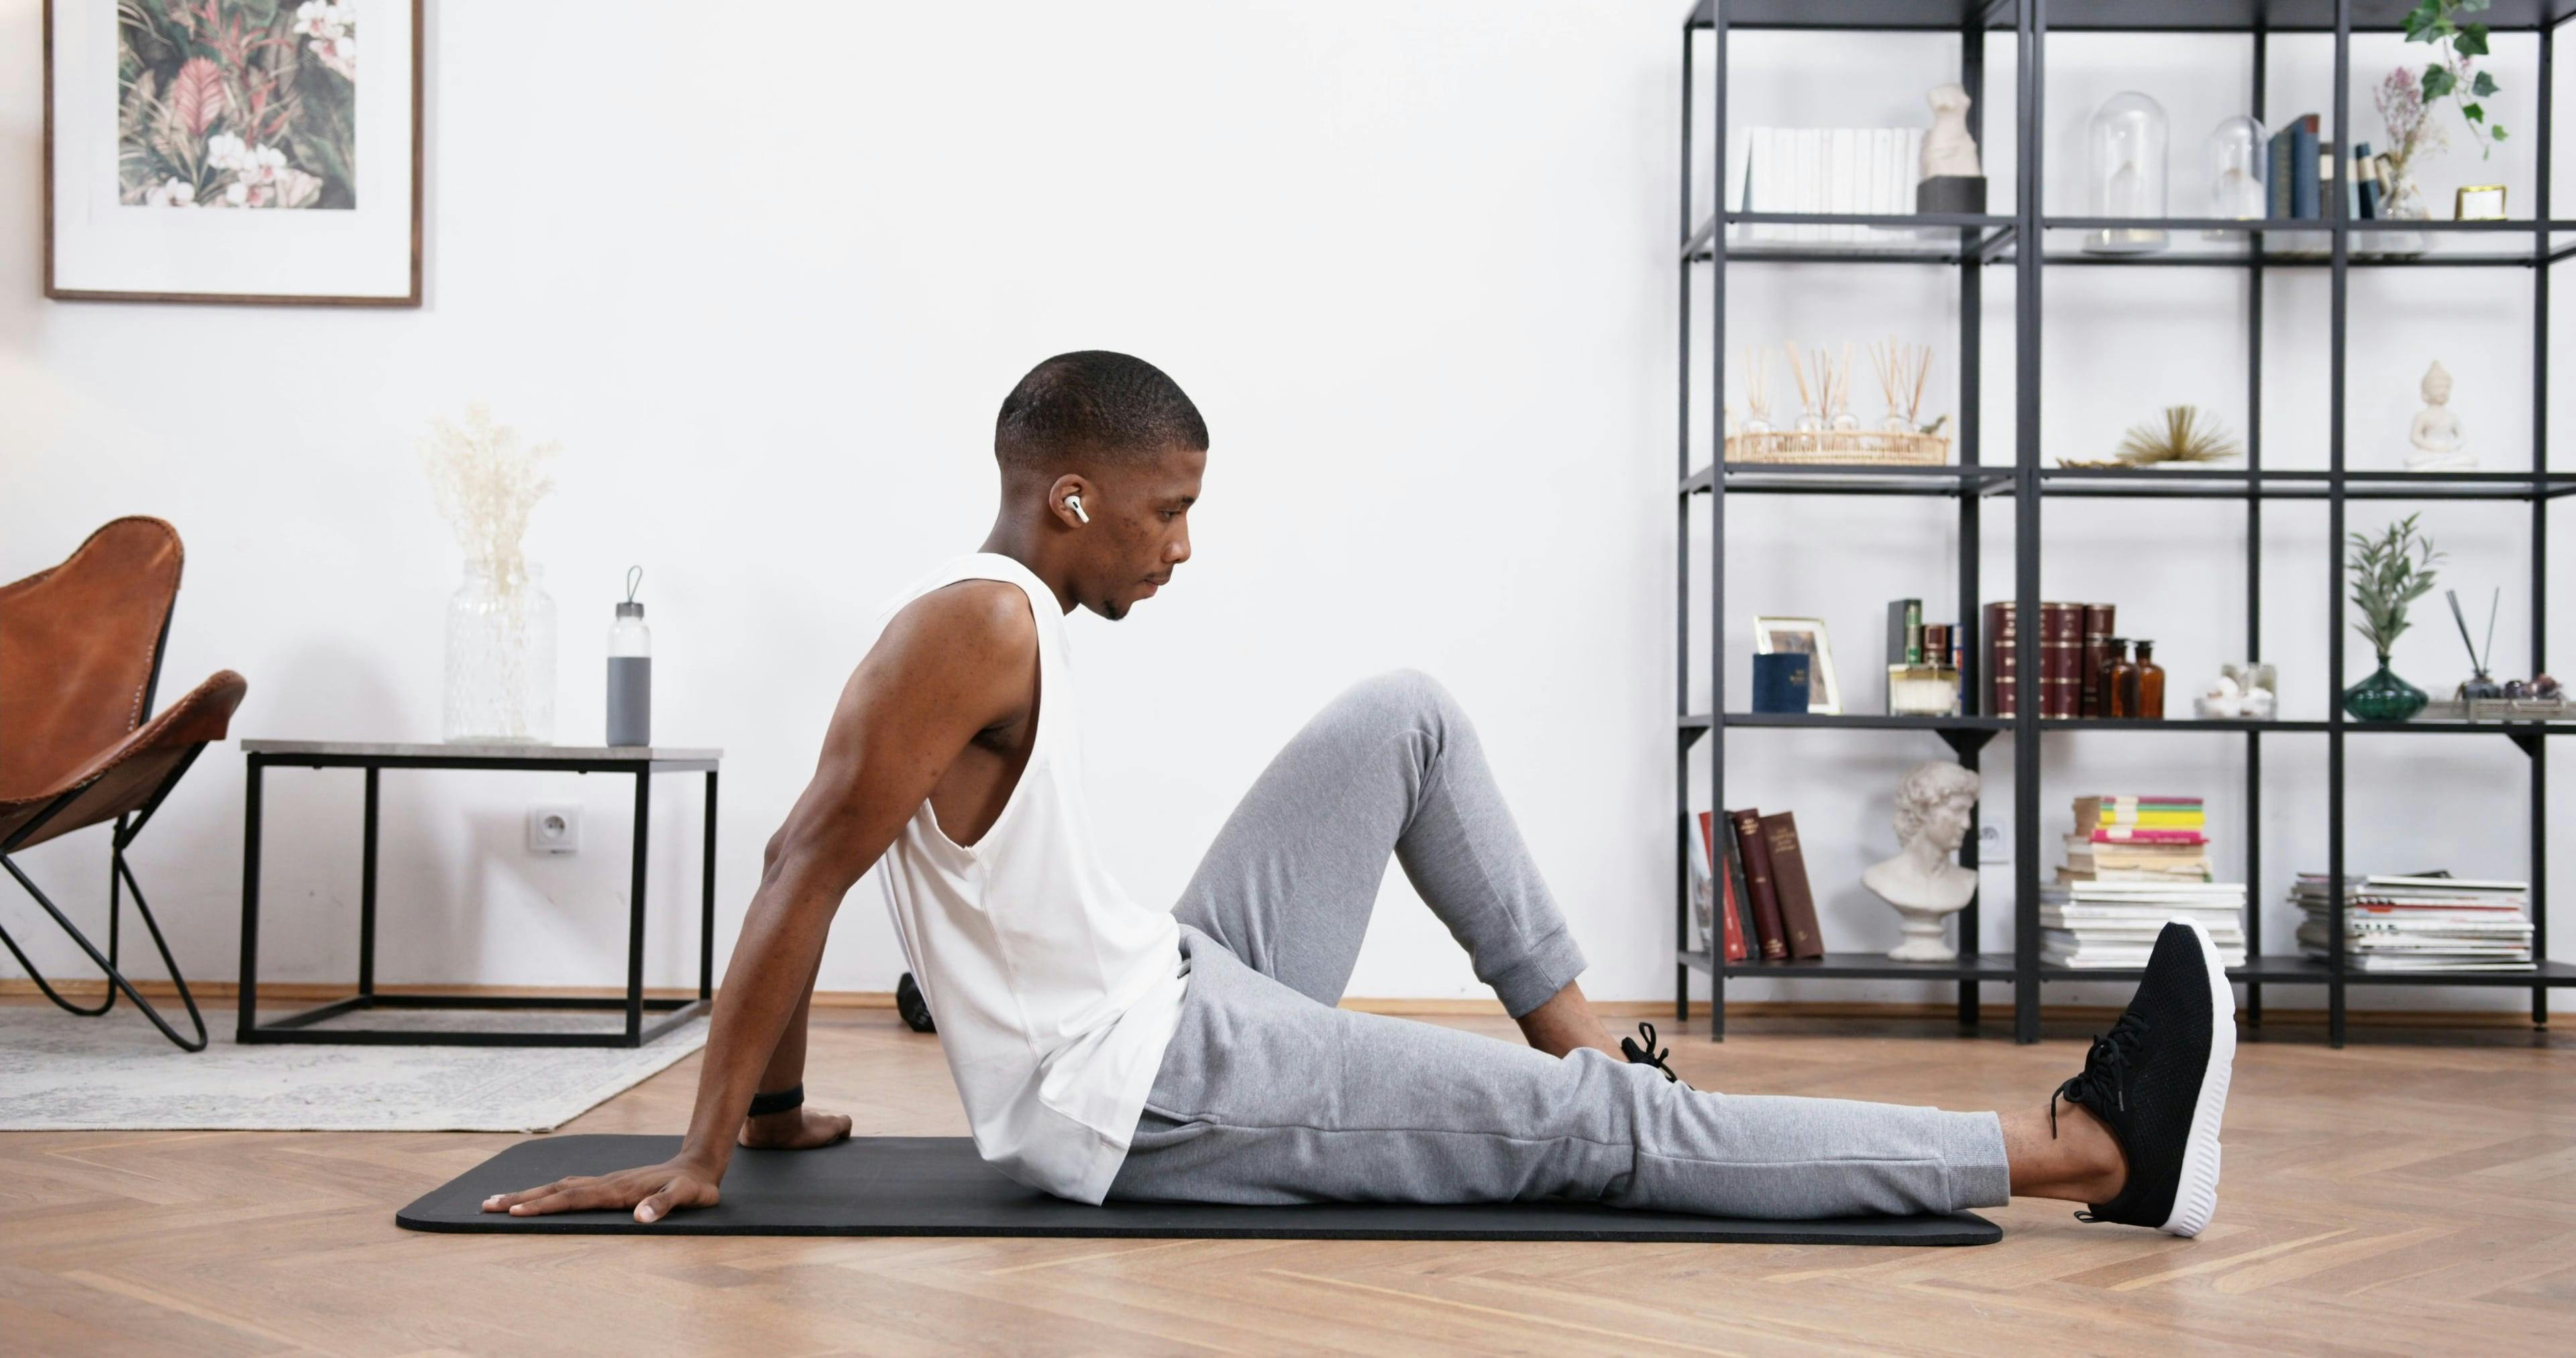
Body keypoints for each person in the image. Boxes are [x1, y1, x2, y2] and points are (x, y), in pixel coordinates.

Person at [484, 351, 2234, 1235]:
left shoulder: (976, 616)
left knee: (1402, 715)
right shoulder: (975, 624)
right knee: (1608, 1152)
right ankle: (2086, 1152)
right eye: (1167, 508)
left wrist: (780, 1113)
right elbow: (804, 858)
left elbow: (827, 844)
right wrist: (708, 1149)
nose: (1185, 542)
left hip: (1169, 980)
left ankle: (1591, 1070)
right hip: (1155, 1087)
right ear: (1073, 498)